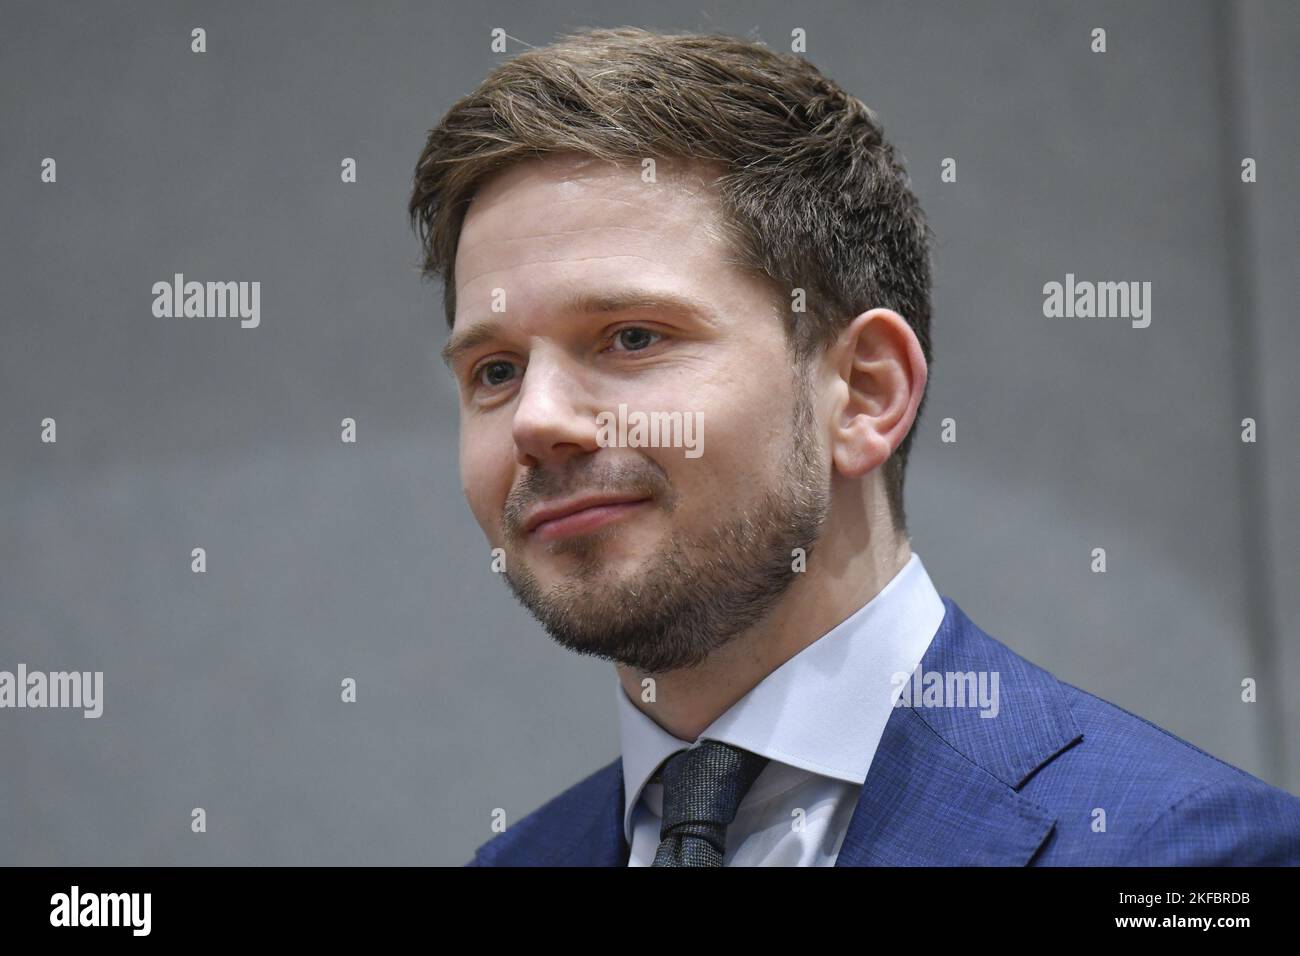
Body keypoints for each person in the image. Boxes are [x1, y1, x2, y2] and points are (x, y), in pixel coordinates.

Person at [407, 26, 1300, 866]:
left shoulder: (1179, 851)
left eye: (632, 337)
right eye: (494, 371)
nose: (536, 420)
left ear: (864, 391)